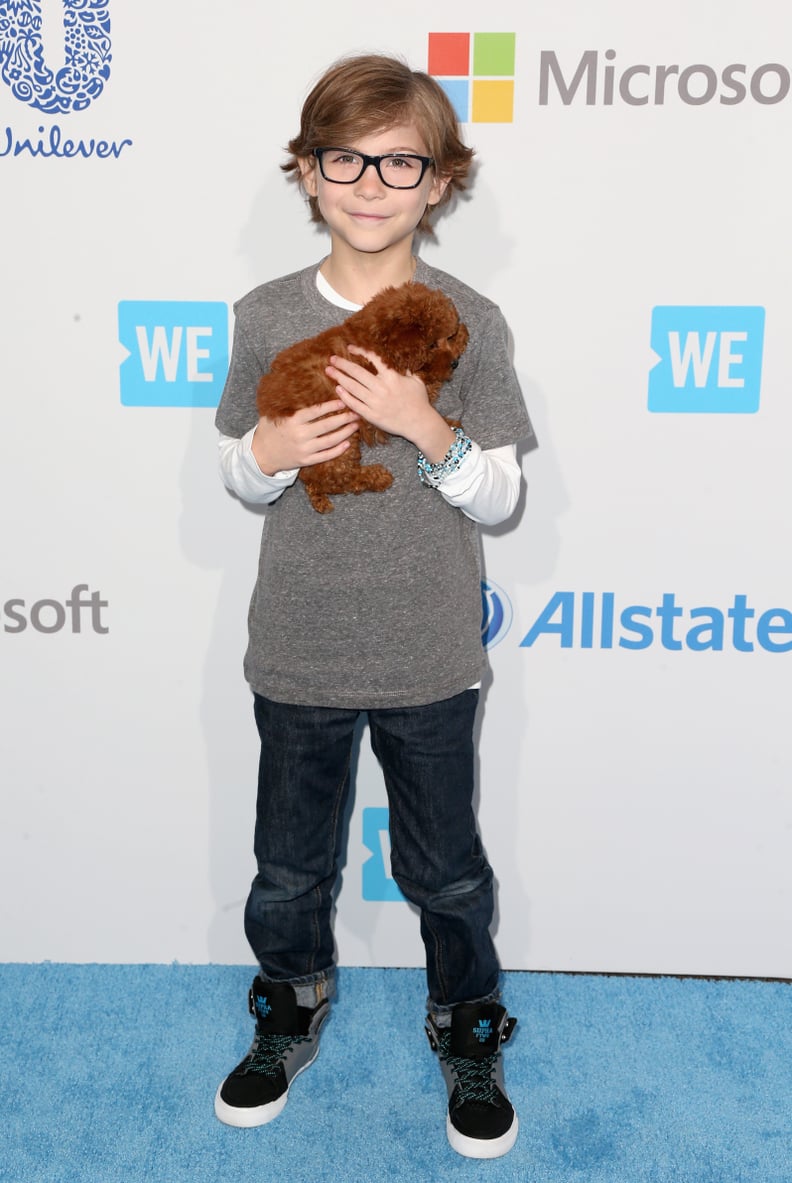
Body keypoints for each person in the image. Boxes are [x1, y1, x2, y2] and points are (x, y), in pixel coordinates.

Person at [213, 52, 536, 1160]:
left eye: (401, 161)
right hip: (297, 652)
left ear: (440, 182)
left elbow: (502, 494)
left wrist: (426, 425)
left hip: (430, 657)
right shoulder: (263, 313)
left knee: (445, 870)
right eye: (345, 157)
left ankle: (467, 1025)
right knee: (288, 867)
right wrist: (265, 450)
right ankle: (289, 1007)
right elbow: (238, 472)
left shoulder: (473, 320)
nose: (370, 181)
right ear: (308, 172)